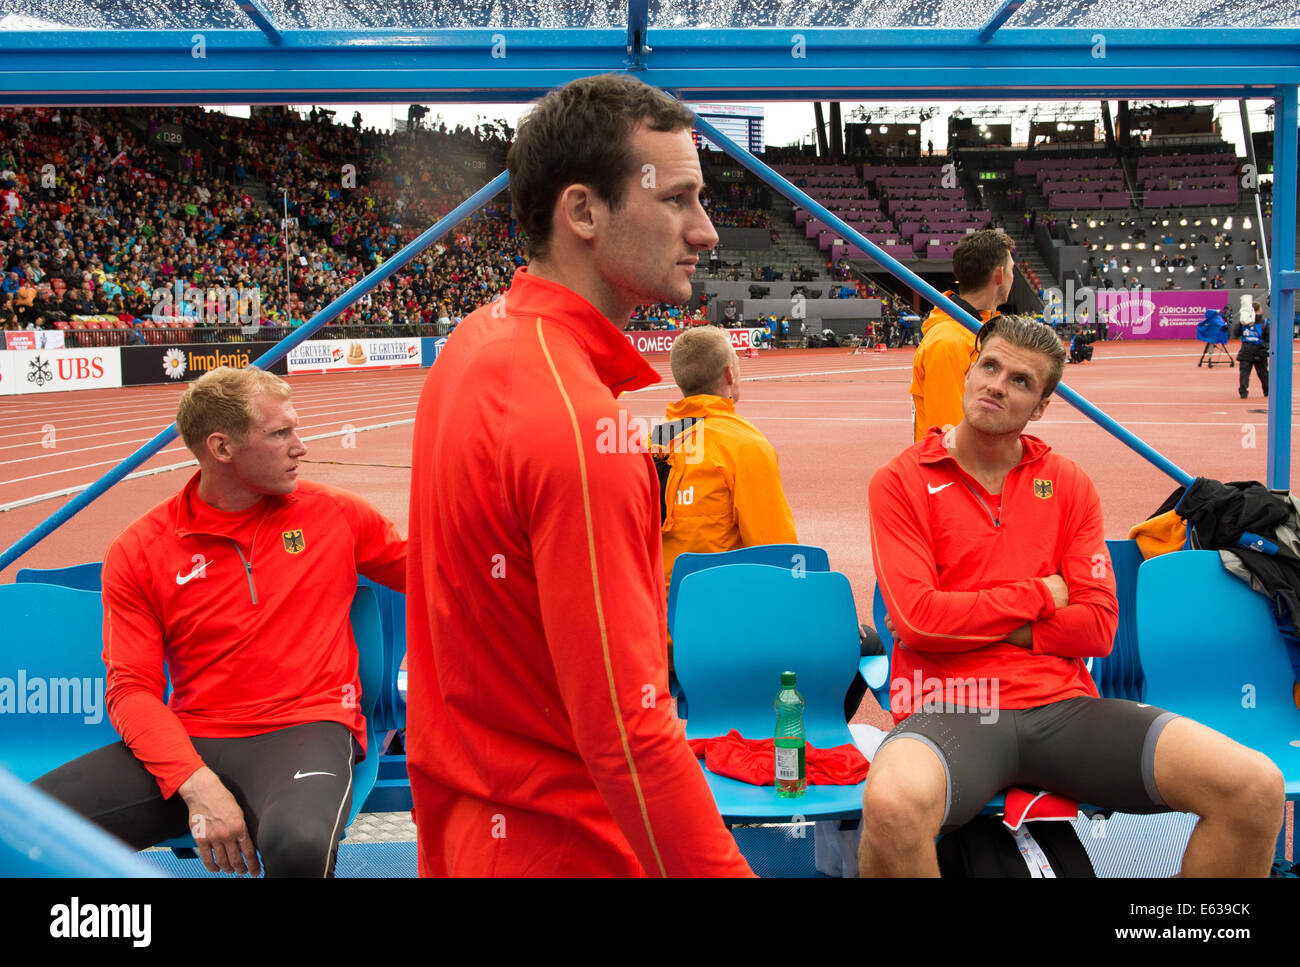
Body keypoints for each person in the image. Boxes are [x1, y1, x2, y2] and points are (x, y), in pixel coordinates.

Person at [405, 74, 752, 877]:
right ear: (584, 212)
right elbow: (629, 730)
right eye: (678, 199)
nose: (706, 232)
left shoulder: (474, 343)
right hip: (567, 844)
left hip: (471, 830)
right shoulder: (579, 423)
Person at [862, 315, 1284, 877]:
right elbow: (918, 622)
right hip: (950, 705)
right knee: (891, 806)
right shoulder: (901, 481)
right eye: (990, 366)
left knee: (1255, 787)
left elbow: (1097, 628)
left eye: (1020, 381)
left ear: (1040, 405)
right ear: (969, 371)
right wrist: (1041, 592)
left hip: (1064, 708)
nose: (997, 385)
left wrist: (978, 617)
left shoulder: (1068, 483)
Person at [35, 367, 407, 877]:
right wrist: (196, 783)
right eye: (279, 434)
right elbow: (132, 689)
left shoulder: (334, 514)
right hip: (195, 737)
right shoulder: (141, 550)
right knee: (26, 828)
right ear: (222, 448)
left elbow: (435, 575)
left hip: (308, 726)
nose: (301, 446)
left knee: (297, 845)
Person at [657, 326, 797, 599]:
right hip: (718, 621)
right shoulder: (743, 445)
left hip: (657, 623)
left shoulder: (653, 441)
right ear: (729, 373)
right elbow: (776, 551)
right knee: (866, 640)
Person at [909, 229, 1015, 442]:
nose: (1014, 276)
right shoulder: (948, 340)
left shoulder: (980, 330)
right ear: (999, 275)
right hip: (954, 470)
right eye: (1013, 269)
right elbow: (947, 435)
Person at [1238, 301, 1270, 399]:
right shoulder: (1264, 322)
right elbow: (1269, 338)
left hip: (1246, 351)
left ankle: (1243, 393)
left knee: (1244, 373)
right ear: (1259, 310)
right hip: (1259, 352)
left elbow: (1236, 333)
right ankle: (1267, 391)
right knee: (1263, 373)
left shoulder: (1244, 322)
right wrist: (1265, 349)